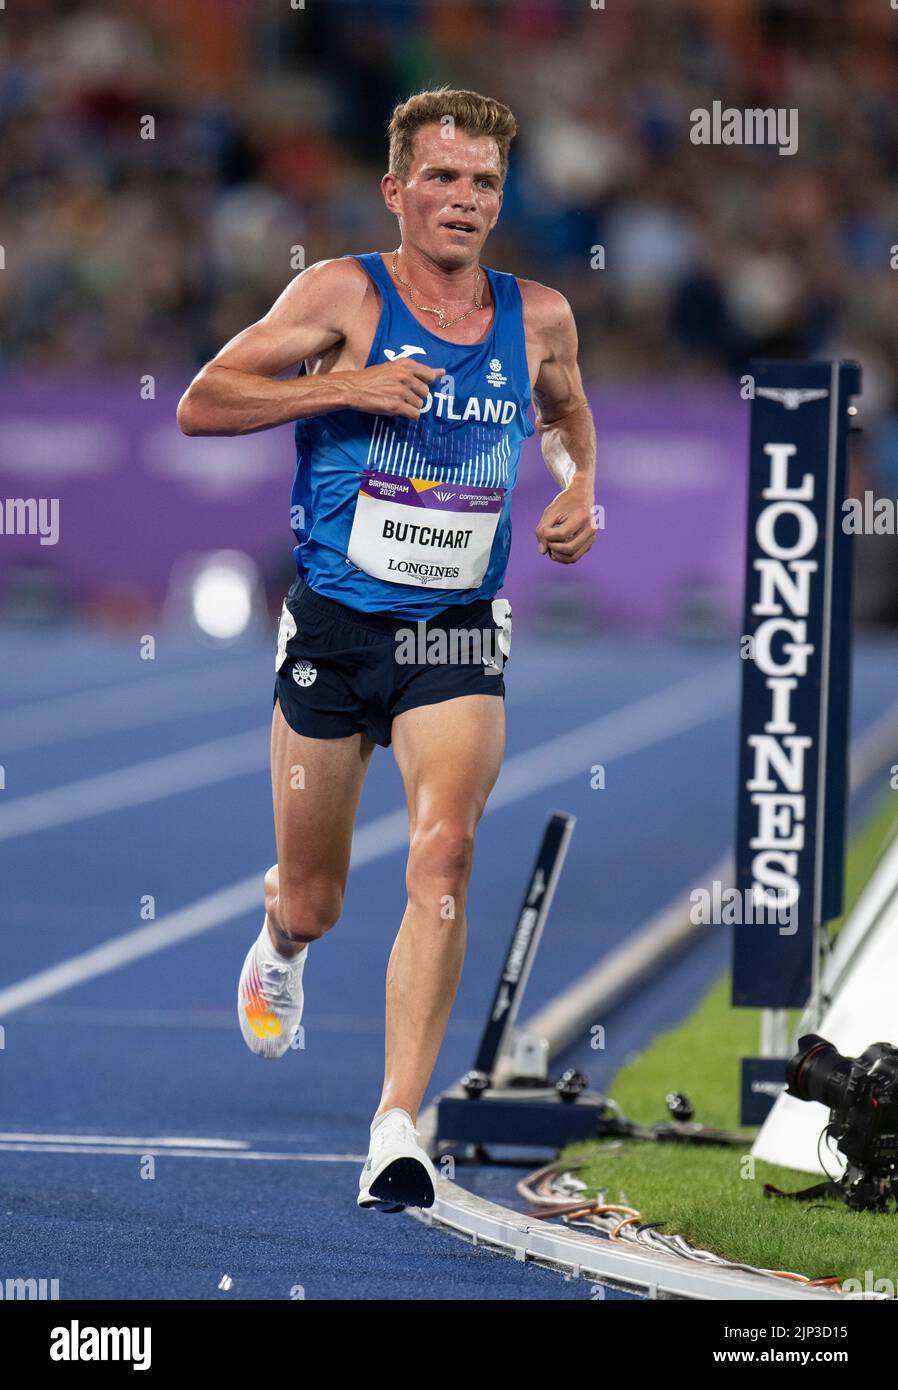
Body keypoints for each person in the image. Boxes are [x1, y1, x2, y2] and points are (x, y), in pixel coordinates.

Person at [177, 86, 596, 1211]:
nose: (465, 201)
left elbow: (562, 410)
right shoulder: (340, 293)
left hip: (452, 630)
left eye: (485, 184)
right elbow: (202, 402)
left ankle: (397, 1124)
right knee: (318, 897)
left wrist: (579, 487)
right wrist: (347, 385)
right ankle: (281, 935)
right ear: (396, 189)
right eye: (444, 179)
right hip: (334, 627)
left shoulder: (540, 312)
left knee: (442, 852)